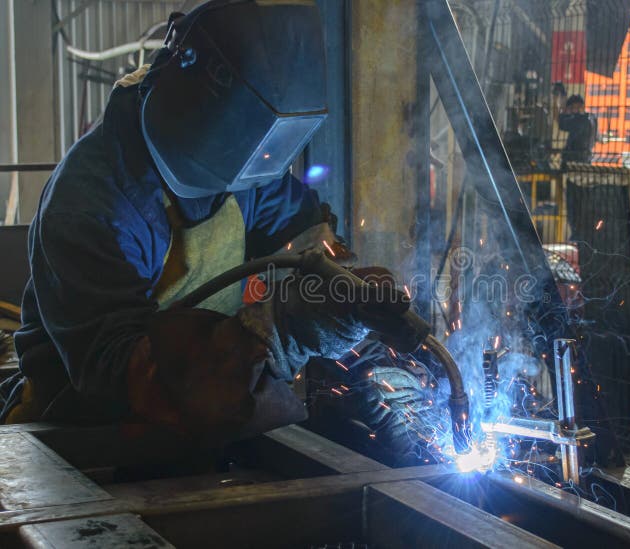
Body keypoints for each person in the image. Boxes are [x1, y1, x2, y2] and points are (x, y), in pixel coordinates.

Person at [0, 0, 429, 456]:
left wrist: (357, 323)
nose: (251, 174)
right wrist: (287, 330)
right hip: (82, 437)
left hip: (204, 416)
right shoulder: (93, 206)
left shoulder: (241, 160)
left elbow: (309, 243)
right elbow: (138, 382)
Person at [557, 94, 597, 168]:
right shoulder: (591, 118)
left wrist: (560, 107)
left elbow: (562, 123)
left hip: (575, 159)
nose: (570, 112)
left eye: (571, 108)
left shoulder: (580, 119)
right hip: (585, 158)